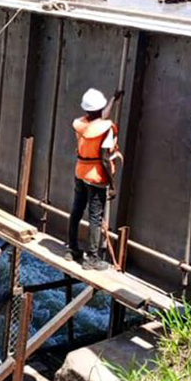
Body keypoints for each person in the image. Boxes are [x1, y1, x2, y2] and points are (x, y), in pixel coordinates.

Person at [67, 88, 124, 266]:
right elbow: (105, 159)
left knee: (77, 211)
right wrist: (112, 185)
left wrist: (113, 99)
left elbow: (99, 119)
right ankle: (92, 258)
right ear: (99, 109)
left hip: (81, 172)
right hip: (97, 176)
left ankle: (72, 250)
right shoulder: (105, 129)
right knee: (95, 217)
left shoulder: (82, 124)